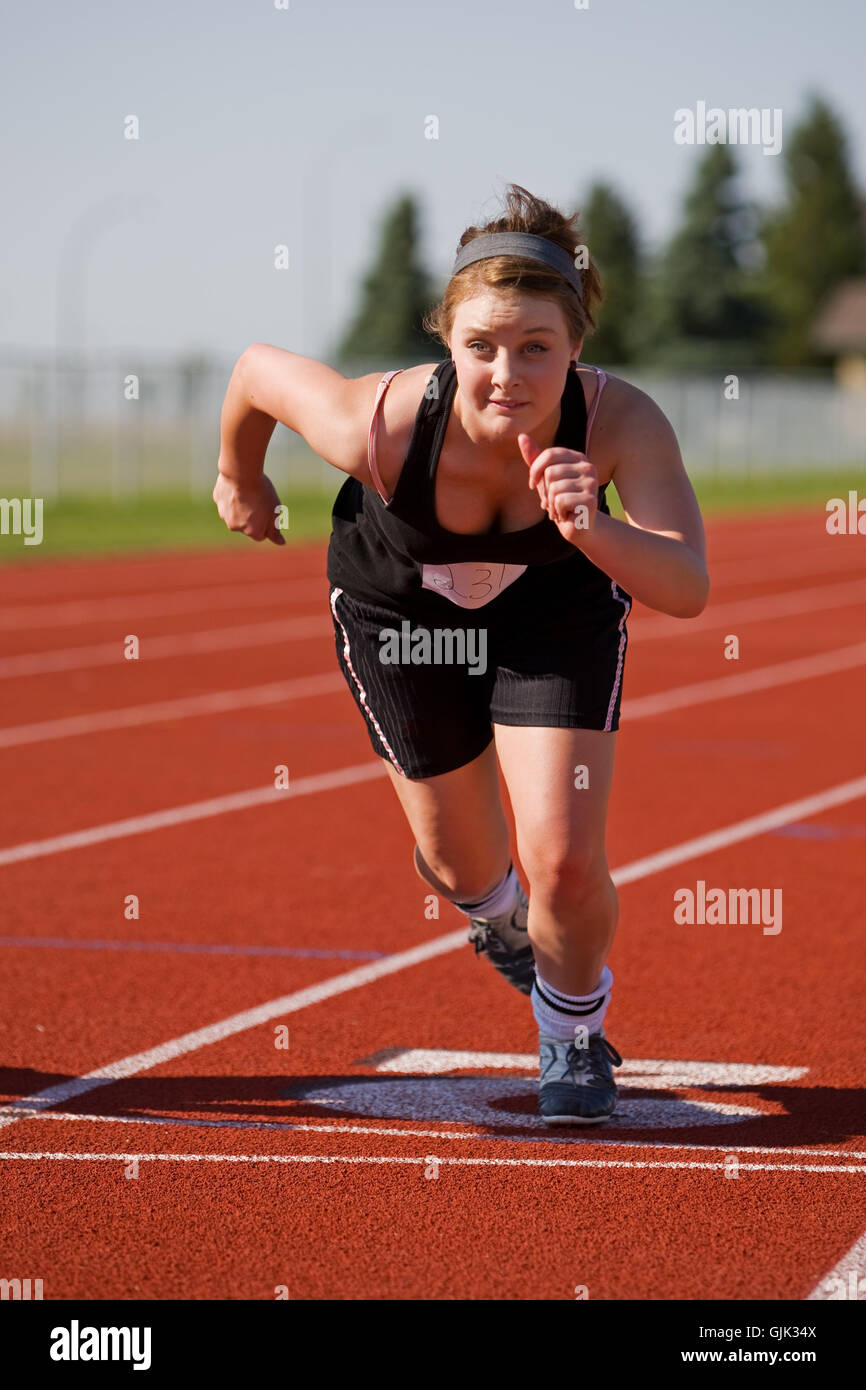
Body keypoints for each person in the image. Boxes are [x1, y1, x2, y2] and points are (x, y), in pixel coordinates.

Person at [213, 183, 709, 1125]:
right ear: (447, 340)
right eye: (481, 346)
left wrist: (593, 529)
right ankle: (496, 916)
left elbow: (687, 586)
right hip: (400, 615)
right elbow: (254, 371)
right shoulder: (379, 423)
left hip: (553, 615)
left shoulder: (620, 424)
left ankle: (571, 1032)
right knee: (456, 860)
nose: (506, 375)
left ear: (577, 346)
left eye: (537, 348)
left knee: (564, 863)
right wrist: (240, 475)